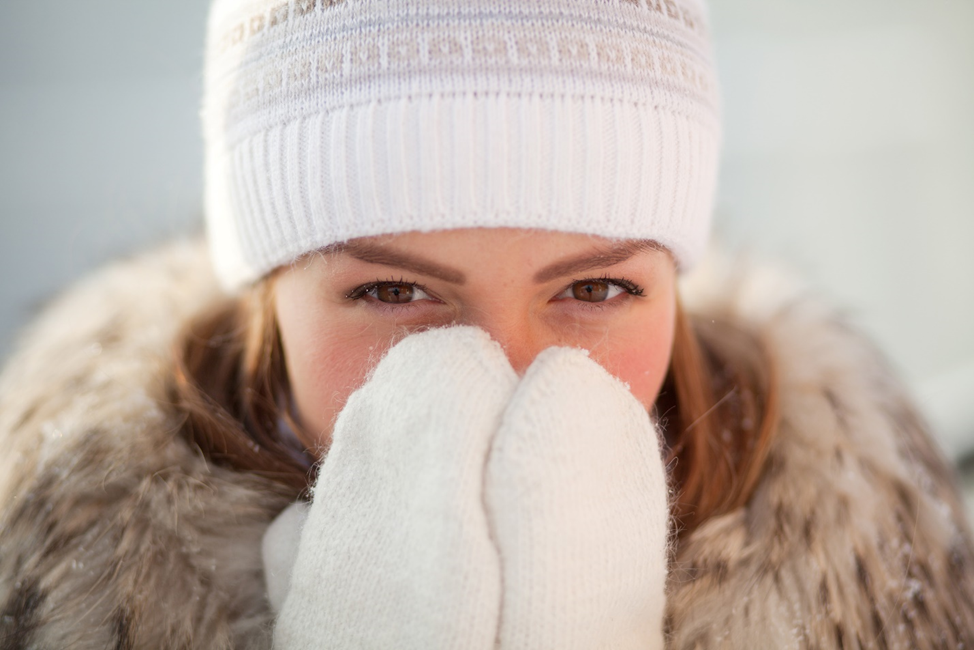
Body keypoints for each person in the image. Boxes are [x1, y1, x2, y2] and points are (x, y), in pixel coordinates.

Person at [0, 0, 972, 647]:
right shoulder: (55, 580)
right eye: (392, 291)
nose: (503, 370)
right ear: (265, 292)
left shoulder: (879, 579)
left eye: (591, 289)